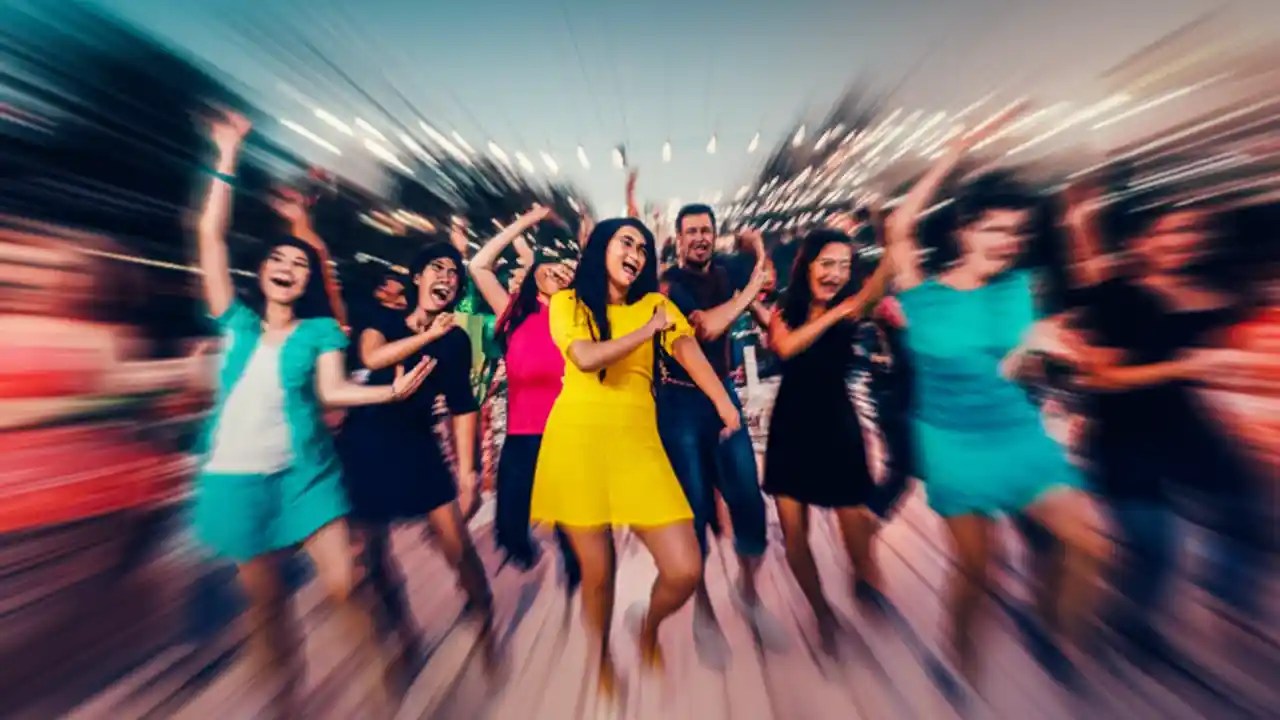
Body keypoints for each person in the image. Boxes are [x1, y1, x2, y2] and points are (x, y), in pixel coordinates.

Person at [191, 112, 433, 716]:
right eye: (279, 260)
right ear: (262, 271)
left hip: (307, 478)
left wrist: (389, 394)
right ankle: (286, 701)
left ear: (305, 281)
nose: (287, 268)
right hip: (238, 479)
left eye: (298, 265)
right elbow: (209, 239)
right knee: (267, 607)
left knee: (345, 587)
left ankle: (383, 681)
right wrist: (226, 155)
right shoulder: (237, 322)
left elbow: (334, 391)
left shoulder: (321, 331)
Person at [883, 105, 1108, 687]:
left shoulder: (1021, 289)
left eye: (1017, 233)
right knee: (977, 570)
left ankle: (1058, 637)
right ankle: (955, 658)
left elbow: (1012, 362)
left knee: (1089, 541)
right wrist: (957, 148)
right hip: (950, 439)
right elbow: (898, 228)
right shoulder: (922, 292)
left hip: (1014, 431)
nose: (1009, 243)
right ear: (965, 228)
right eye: (996, 229)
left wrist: (1043, 348)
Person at [529, 218, 741, 698]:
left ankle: (646, 625)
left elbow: (690, 353)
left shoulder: (656, 304)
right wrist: (648, 330)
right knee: (598, 577)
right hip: (577, 446)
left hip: (638, 449)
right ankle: (601, 654)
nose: (638, 254)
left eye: (644, 248)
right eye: (627, 242)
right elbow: (584, 357)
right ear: (601, 247)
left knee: (684, 568)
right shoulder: (569, 303)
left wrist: (725, 406)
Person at [1061, 190, 1268, 646]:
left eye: (1194, 230)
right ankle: (1128, 621)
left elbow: (1231, 356)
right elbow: (1103, 378)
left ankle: (1228, 601)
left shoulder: (1211, 294)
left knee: (1249, 513)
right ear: (1142, 242)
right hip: (1122, 438)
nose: (1186, 239)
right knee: (1155, 548)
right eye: (1172, 230)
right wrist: (1189, 367)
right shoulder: (1118, 294)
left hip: (1186, 430)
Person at [338, 240, 494, 669]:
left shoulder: (456, 341)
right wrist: (426, 335)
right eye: (437, 269)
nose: (446, 277)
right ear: (417, 277)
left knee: (456, 544)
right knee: (371, 556)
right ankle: (402, 633)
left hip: (417, 444)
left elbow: (463, 405)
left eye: (453, 274)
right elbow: (372, 354)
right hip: (363, 443)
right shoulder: (380, 317)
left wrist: (468, 474)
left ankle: (482, 609)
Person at [762, 229, 892, 649]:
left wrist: (891, 229)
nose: (836, 273)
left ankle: (863, 579)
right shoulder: (789, 307)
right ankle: (821, 613)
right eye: (828, 263)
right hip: (791, 428)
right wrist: (834, 314)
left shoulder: (856, 308)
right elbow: (785, 348)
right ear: (809, 265)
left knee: (858, 531)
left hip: (838, 427)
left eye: (844, 266)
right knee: (795, 538)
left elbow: (889, 270)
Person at [656, 204, 770, 647]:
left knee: (749, 497)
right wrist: (748, 294)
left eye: (706, 231)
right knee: (694, 509)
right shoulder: (670, 284)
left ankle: (748, 592)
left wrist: (757, 249)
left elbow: (760, 278)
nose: (700, 238)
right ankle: (702, 608)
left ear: (714, 236)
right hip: (680, 402)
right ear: (679, 239)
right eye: (691, 232)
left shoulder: (725, 272)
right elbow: (703, 330)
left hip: (722, 390)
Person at [467, 204, 580, 588]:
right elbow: (479, 266)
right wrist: (527, 221)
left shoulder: (581, 316)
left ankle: (580, 585)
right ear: (535, 269)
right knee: (512, 524)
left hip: (570, 434)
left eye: (567, 263)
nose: (558, 269)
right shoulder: (515, 312)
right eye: (550, 262)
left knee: (576, 529)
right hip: (523, 435)